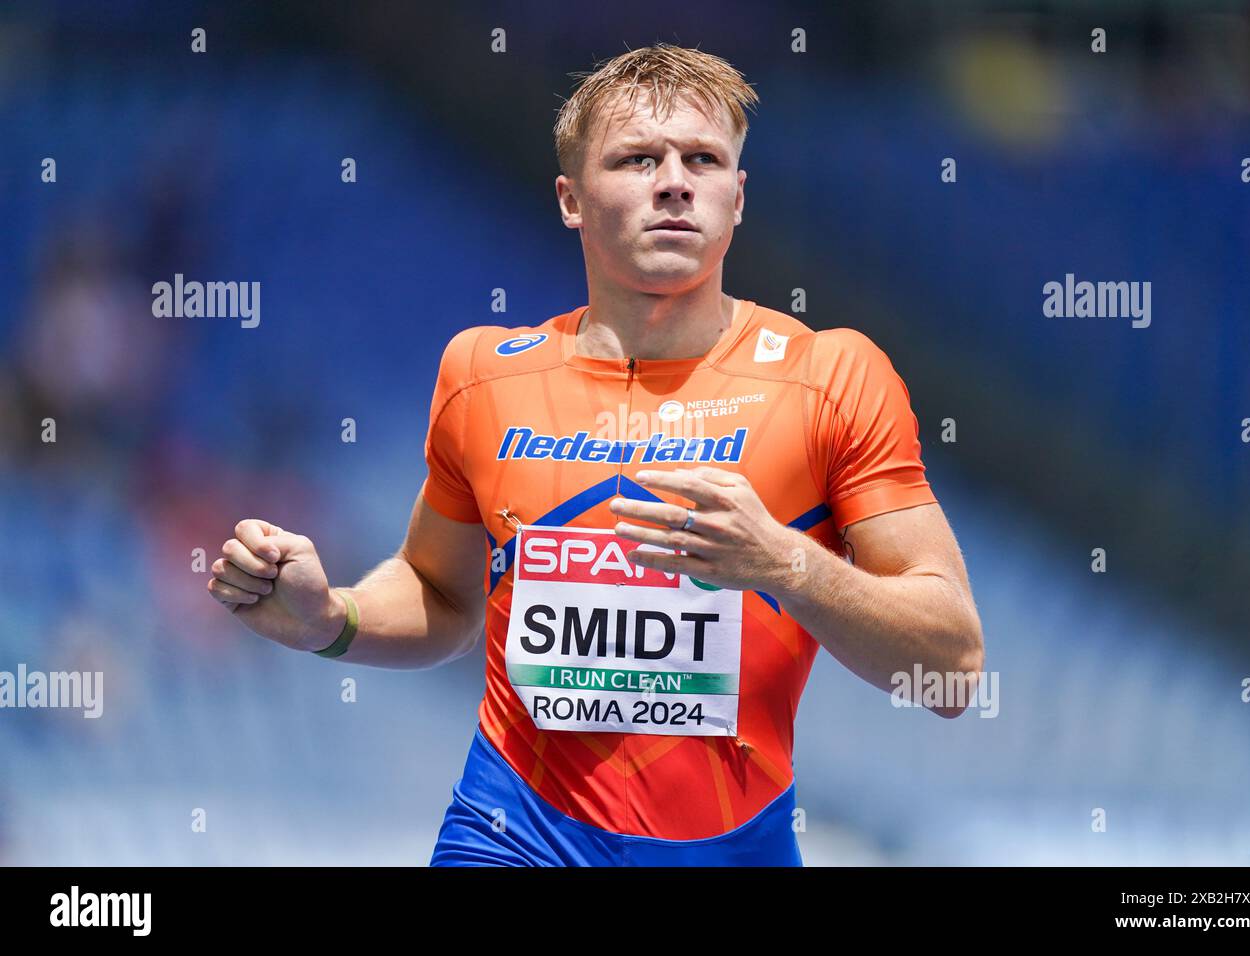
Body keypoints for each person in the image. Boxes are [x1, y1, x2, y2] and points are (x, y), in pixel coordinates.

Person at [207, 44, 983, 867]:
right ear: (572, 200)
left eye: (703, 159)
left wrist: (787, 564)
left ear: (738, 197)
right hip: (512, 832)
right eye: (638, 159)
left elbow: (955, 665)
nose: (675, 181)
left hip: (732, 847)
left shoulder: (832, 376)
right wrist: (335, 618)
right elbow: (441, 591)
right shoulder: (482, 374)